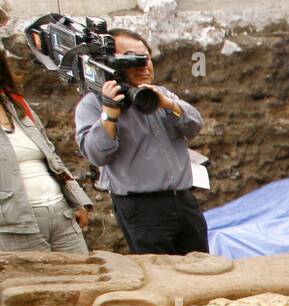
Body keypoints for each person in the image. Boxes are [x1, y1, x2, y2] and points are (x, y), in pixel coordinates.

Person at [73, 28, 207, 255]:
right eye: (132, 59)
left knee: (201, 266)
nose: (144, 65)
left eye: (146, 58)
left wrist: (168, 105)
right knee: (158, 272)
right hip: (141, 209)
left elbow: (194, 125)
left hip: (183, 200)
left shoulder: (160, 94)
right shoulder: (92, 104)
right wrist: (109, 112)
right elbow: (97, 154)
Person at [0, 47, 92, 254]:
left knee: (82, 272)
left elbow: (51, 155)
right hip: (13, 227)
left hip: (61, 214)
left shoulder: (16, 105)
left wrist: (78, 200)